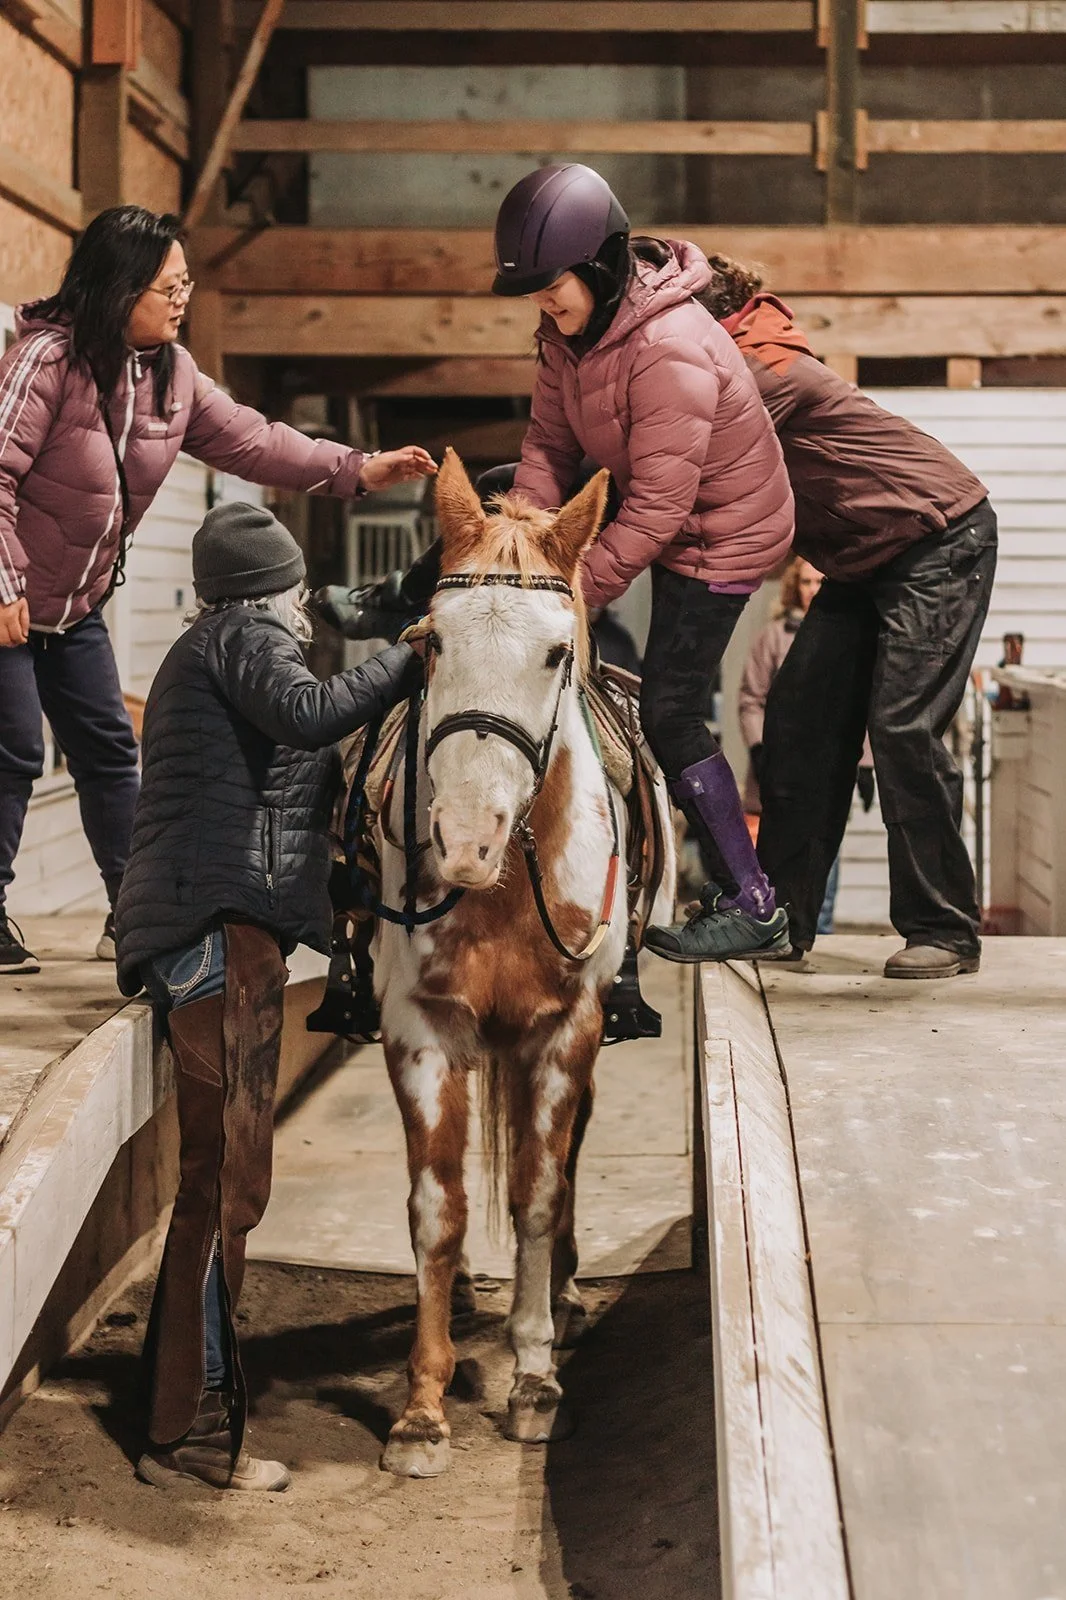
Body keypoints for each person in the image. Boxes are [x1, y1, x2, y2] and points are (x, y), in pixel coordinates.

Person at [315, 164, 796, 963]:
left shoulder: (671, 349)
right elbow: (546, 448)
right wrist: (519, 540)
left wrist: (560, 591)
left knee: (673, 710)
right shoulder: (569, 333)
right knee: (501, 490)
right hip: (656, 500)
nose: (545, 304)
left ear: (601, 266)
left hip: (720, 535)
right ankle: (398, 598)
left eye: (553, 288)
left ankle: (754, 901)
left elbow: (659, 513)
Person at [0, 204, 434, 977]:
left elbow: (256, 440)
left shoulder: (173, 376)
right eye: (168, 285)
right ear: (119, 286)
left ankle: (129, 912)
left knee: (106, 750)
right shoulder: (47, 361)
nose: (181, 298)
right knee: (15, 750)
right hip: (8, 598)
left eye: (186, 283)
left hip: (77, 605)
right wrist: (2, 581)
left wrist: (356, 470)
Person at [115, 500, 422, 1492]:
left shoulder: (215, 645)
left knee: (219, 1186)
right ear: (270, 584)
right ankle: (191, 1436)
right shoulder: (244, 637)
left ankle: (180, 1418)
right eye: (292, 585)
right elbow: (308, 716)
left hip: (218, 934)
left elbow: (296, 758)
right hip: (215, 937)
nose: (301, 603)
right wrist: (411, 655)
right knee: (225, 1188)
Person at [705, 257, 995, 978]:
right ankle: (782, 919)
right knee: (800, 722)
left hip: (938, 539)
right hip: (865, 560)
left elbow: (685, 471)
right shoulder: (729, 367)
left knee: (901, 726)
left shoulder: (763, 372)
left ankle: (944, 929)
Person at [738, 555, 876, 937]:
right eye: (806, 582)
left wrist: (865, 763)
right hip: (780, 760)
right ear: (793, 586)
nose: (813, 590)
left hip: (829, 759)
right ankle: (772, 922)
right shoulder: (773, 636)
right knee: (777, 844)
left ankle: (821, 926)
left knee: (823, 847)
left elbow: (858, 702)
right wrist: (759, 747)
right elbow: (751, 697)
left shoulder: (851, 635)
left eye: (820, 582)